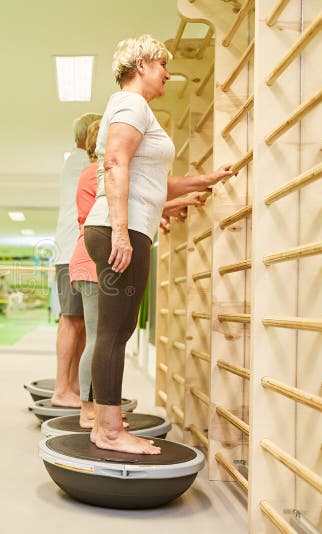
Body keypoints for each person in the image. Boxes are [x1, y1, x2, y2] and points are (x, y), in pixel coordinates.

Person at [83, 34, 234, 454]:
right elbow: (115, 162)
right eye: (162, 64)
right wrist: (119, 230)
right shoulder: (131, 104)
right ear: (142, 65)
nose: (168, 72)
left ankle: (106, 421)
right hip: (120, 230)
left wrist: (207, 179)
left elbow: (151, 182)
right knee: (114, 333)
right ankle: (108, 430)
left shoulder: (137, 109)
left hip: (129, 227)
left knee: (118, 330)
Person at [71, 120, 204, 428]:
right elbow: (124, 208)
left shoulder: (99, 172)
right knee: (99, 336)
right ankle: (88, 409)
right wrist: (181, 199)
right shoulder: (98, 172)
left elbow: (139, 205)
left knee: (103, 335)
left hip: (92, 261)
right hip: (93, 263)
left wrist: (176, 204)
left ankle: (95, 406)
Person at [51, 112, 102, 408]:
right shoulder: (82, 162)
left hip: (73, 250)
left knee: (80, 321)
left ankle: (70, 385)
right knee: (71, 320)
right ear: (88, 136)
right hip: (71, 250)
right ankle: (61, 388)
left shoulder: (81, 162)